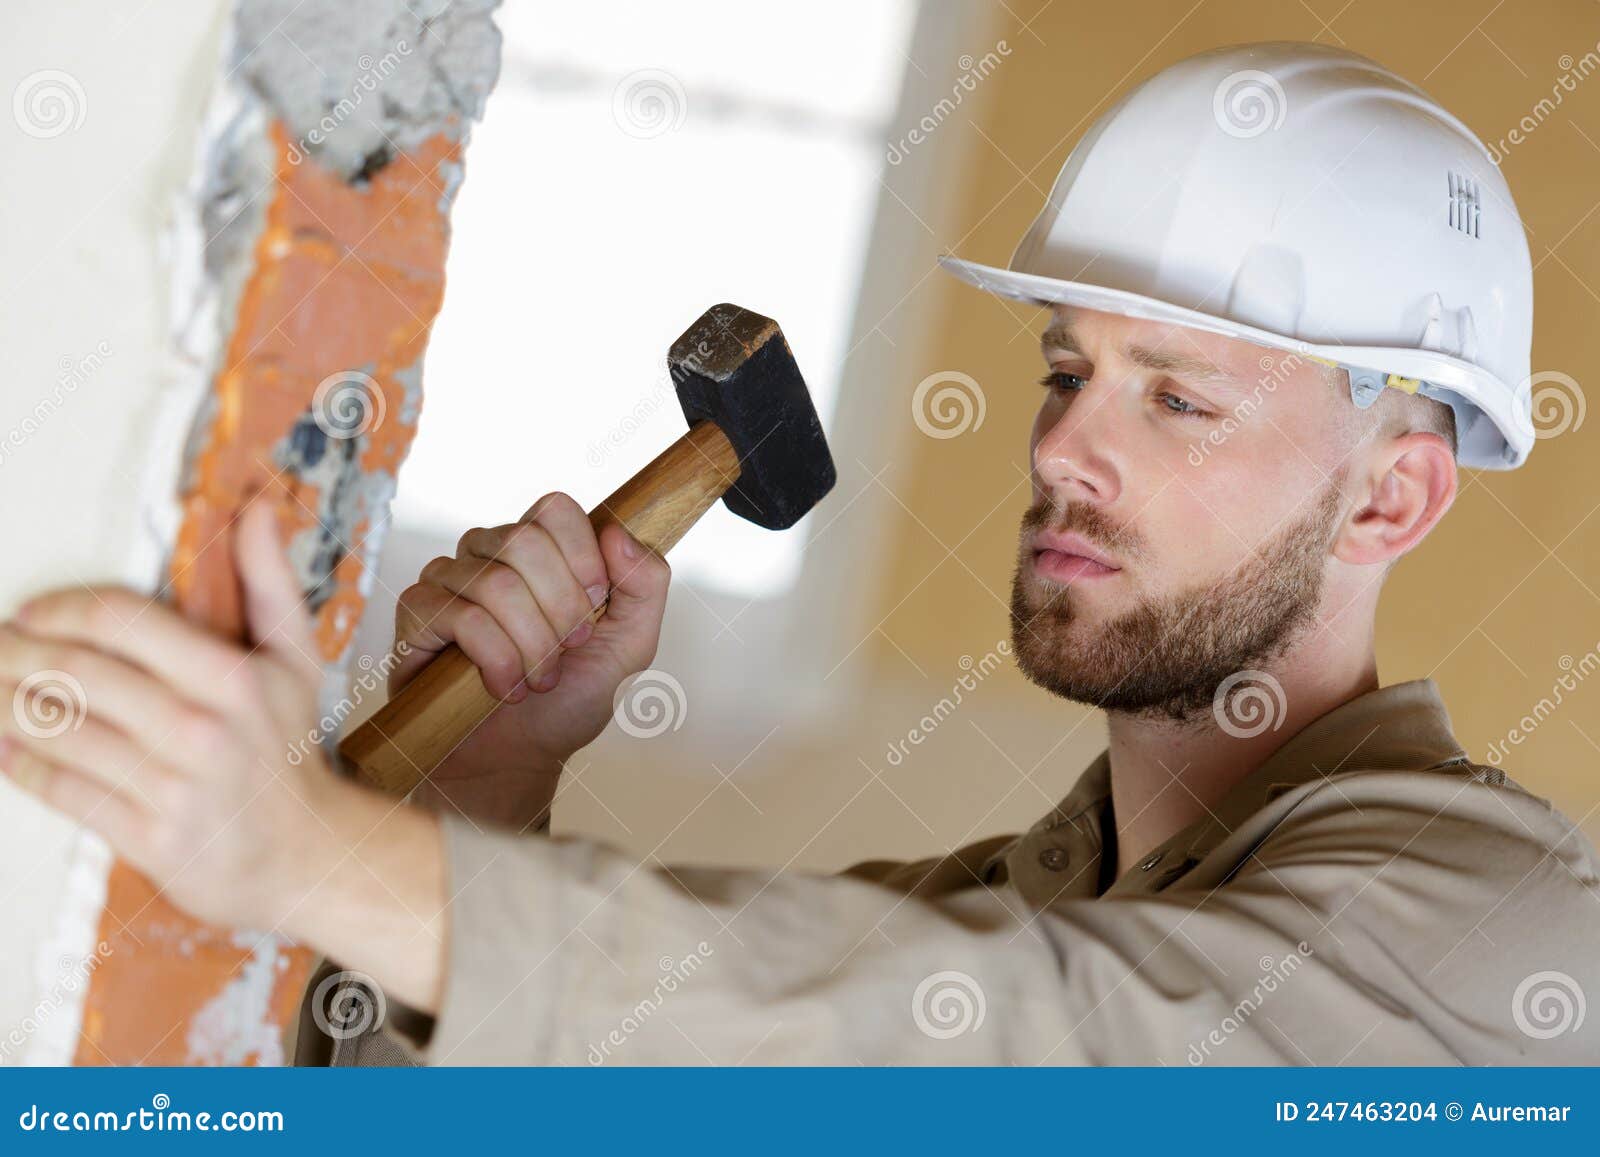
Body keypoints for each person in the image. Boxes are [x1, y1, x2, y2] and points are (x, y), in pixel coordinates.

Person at [2, 41, 1596, 1066]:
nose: (1057, 451)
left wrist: (307, 851)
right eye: (1065, 372)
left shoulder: (1511, 934)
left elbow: (1029, 1052)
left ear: (1389, 500)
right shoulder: (982, 905)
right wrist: (486, 779)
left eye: (1175, 396)